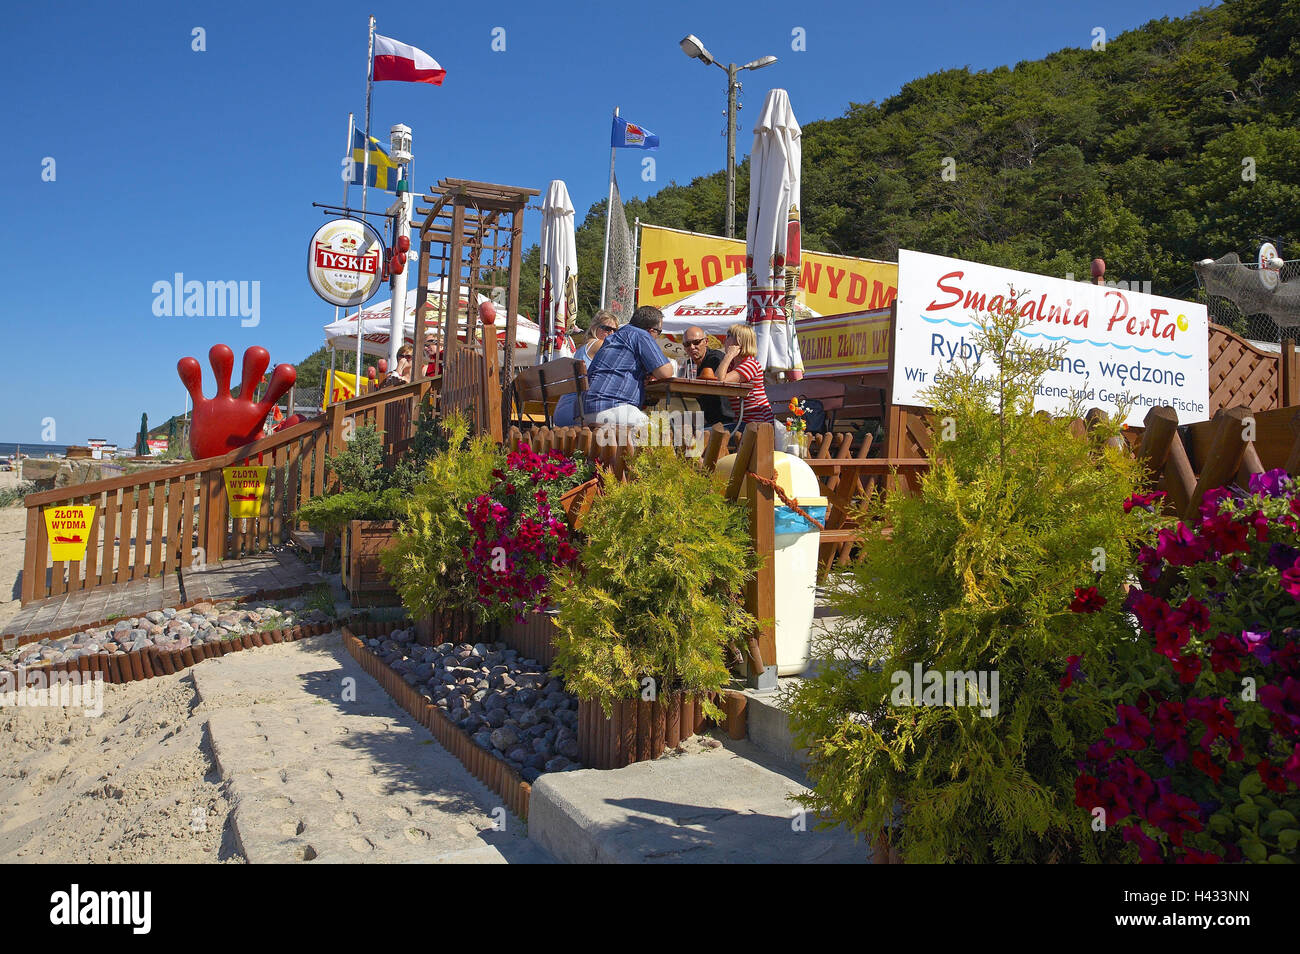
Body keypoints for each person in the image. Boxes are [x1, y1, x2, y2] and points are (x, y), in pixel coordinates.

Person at [553, 305, 672, 428]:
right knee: (658, 434)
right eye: (659, 332)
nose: (657, 337)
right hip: (611, 407)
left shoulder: (612, 338)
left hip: (582, 411)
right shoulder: (641, 335)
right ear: (651, 330)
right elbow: (666, 372)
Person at [552, 310, 619, 426]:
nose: (611, 333)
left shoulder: (583, 348)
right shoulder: (599, 344)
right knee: (631, 418)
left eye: (615, 330)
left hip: (564, 410)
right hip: (578, 412)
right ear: (594, 328)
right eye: (607, 329)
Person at [715, 324, 781, 439]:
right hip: (743, 423)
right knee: (704, 432)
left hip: (757, 424)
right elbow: (717, 379)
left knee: (709, 435)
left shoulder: (750, 364)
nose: (725, 340)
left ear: (740, 341)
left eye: (729, 336)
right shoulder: (733, 365)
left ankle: (700, 457)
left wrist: (728, 355)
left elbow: (720, 381)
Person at [681, 325, 727, 427]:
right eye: (687, 344)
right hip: (706, 417)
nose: (692, 347)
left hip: (725, 418)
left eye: (696, 342)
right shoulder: (688, 364)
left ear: (706, 342)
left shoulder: (715, 358)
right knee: (672, 421)